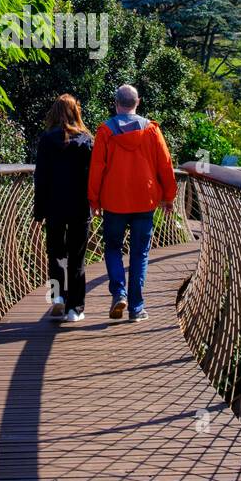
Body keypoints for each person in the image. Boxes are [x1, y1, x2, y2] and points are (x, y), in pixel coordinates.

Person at [88, 84, 177, 322]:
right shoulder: (151, 130)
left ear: (116, 103)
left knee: (113, 249)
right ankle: (136, 308)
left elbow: (97, 168)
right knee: (140, 253)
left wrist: (94, 200)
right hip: (144, 201)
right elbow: (165, 165)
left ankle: (119, 292)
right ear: (137, 103)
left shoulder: (105, 131)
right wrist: (169, 197)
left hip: (114, 202)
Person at [32, 94, 94, 324]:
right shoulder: (87, 141)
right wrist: (95, 202)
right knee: (76, 259)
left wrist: (39, 211)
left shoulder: (46, 140)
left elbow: (41, 177)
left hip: (54, 207)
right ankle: (74, 309)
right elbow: (92, 177)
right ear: (75, 112)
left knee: (56, 255)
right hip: (79, 207)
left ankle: (57, 297)